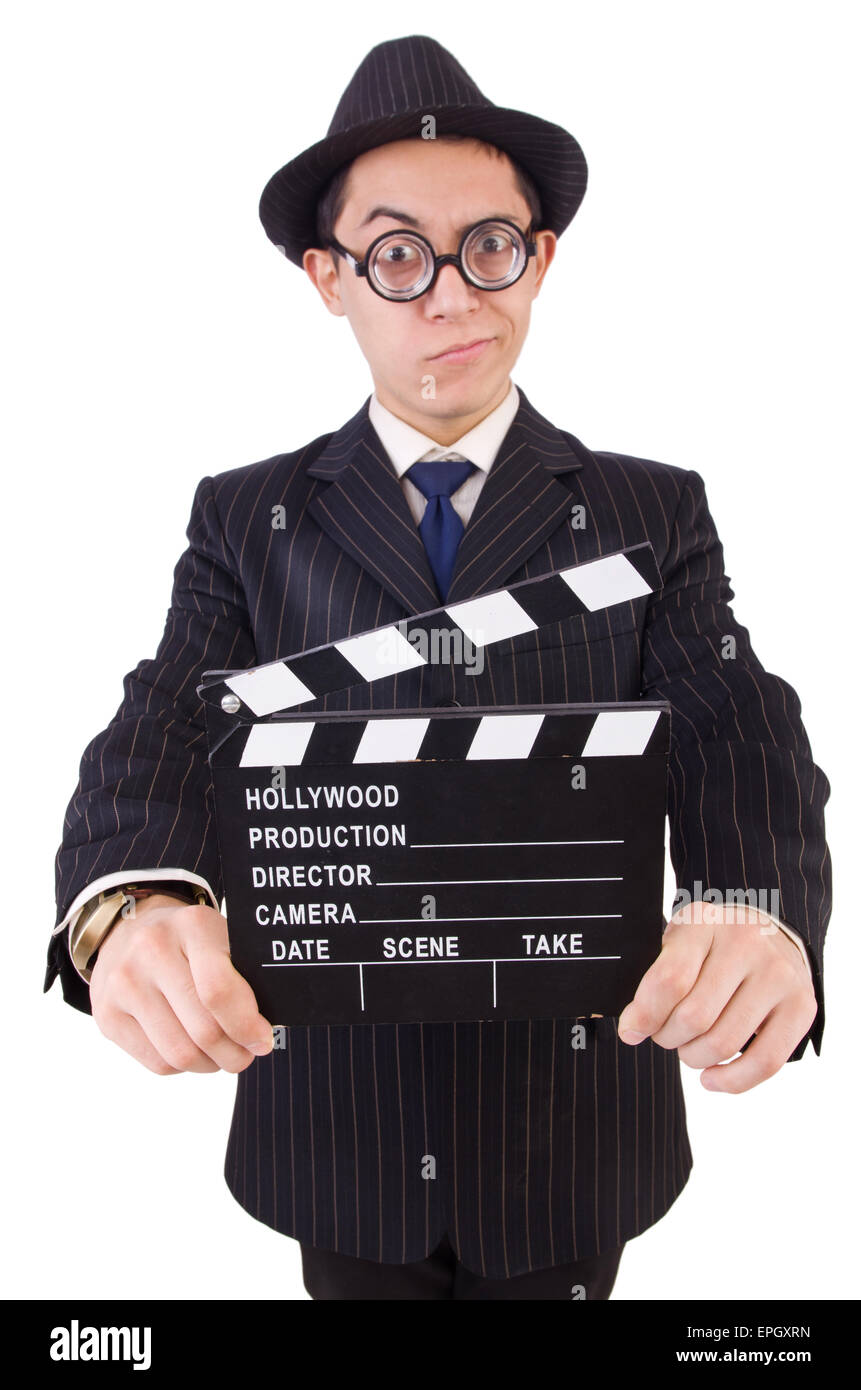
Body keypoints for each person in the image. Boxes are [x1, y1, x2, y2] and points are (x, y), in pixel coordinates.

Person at [46, 35, 831, 1301]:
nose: (453, 295)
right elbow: (173, 708)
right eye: (400, 254)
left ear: (542, 258)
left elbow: (737, 719)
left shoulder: (652, 510)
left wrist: (762, 906)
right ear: (328, 277)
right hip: (335, 1122)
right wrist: (130, 896)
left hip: (576, 1122)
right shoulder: (249, 517)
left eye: (491, 246)